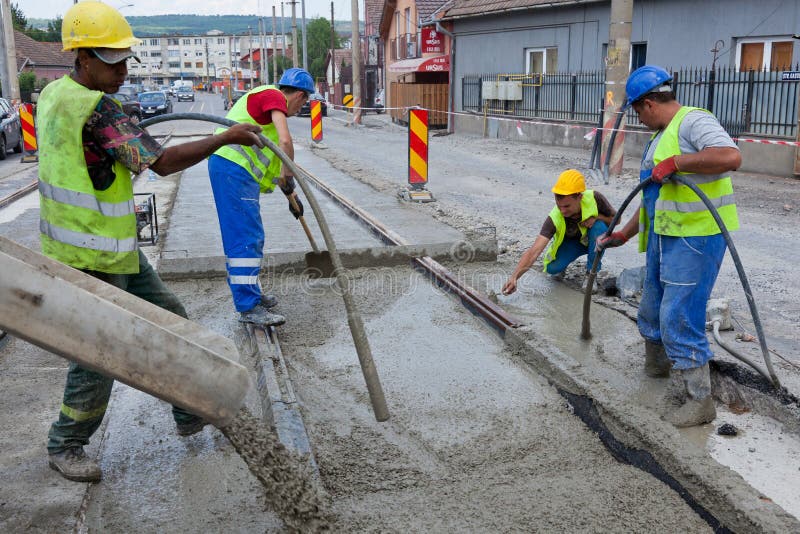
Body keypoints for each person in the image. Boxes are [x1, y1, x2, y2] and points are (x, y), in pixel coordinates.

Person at [39, 1, 266, 483]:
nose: (123, 70)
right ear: (82, 58)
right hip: (93, 256)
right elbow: (159, 163)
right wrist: (224, 139)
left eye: (125, 60)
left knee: (171, 318)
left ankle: (187, 412)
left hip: (106, 246)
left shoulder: (52, 94)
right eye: (112, 61)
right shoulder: (96, 110)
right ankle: (67, 444)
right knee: (97, 356)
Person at [596, 65, 741, 428]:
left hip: (696, 237)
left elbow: (730, 156)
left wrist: (678, 162)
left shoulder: (693, 122)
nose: (638, 119)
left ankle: (698, 399)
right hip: (666, 234)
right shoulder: (660, 136)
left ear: (647, 104)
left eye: (636, 111)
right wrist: (624, 234)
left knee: (679, 312)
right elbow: (652, 199)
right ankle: (661, 372)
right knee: (653, 307)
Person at [207, 68, 312, 326]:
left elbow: (276, 162)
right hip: (232, 170)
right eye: (304, 102)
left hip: (235, 173)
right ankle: (248, 306)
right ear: (299, 95)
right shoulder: (273, 95)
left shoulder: (268, 114)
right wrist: (289, 178)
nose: (300, 109)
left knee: (249, 236)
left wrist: (291, 194)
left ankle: (251, 295)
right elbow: (286, 145)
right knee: (245, 237)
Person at [502, 169, 616, 295]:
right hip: (573, 244)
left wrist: (597, 218)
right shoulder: (554, 218)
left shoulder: (594, 198)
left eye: (567, 206)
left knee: (599, 227)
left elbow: (616, 219)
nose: (562, 211)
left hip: (594, 240)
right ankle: (565, 263)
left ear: (579, 197)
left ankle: (591, 275)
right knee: (552, 268)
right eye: (559, 205)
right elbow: (534, 251)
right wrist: (514, 277)